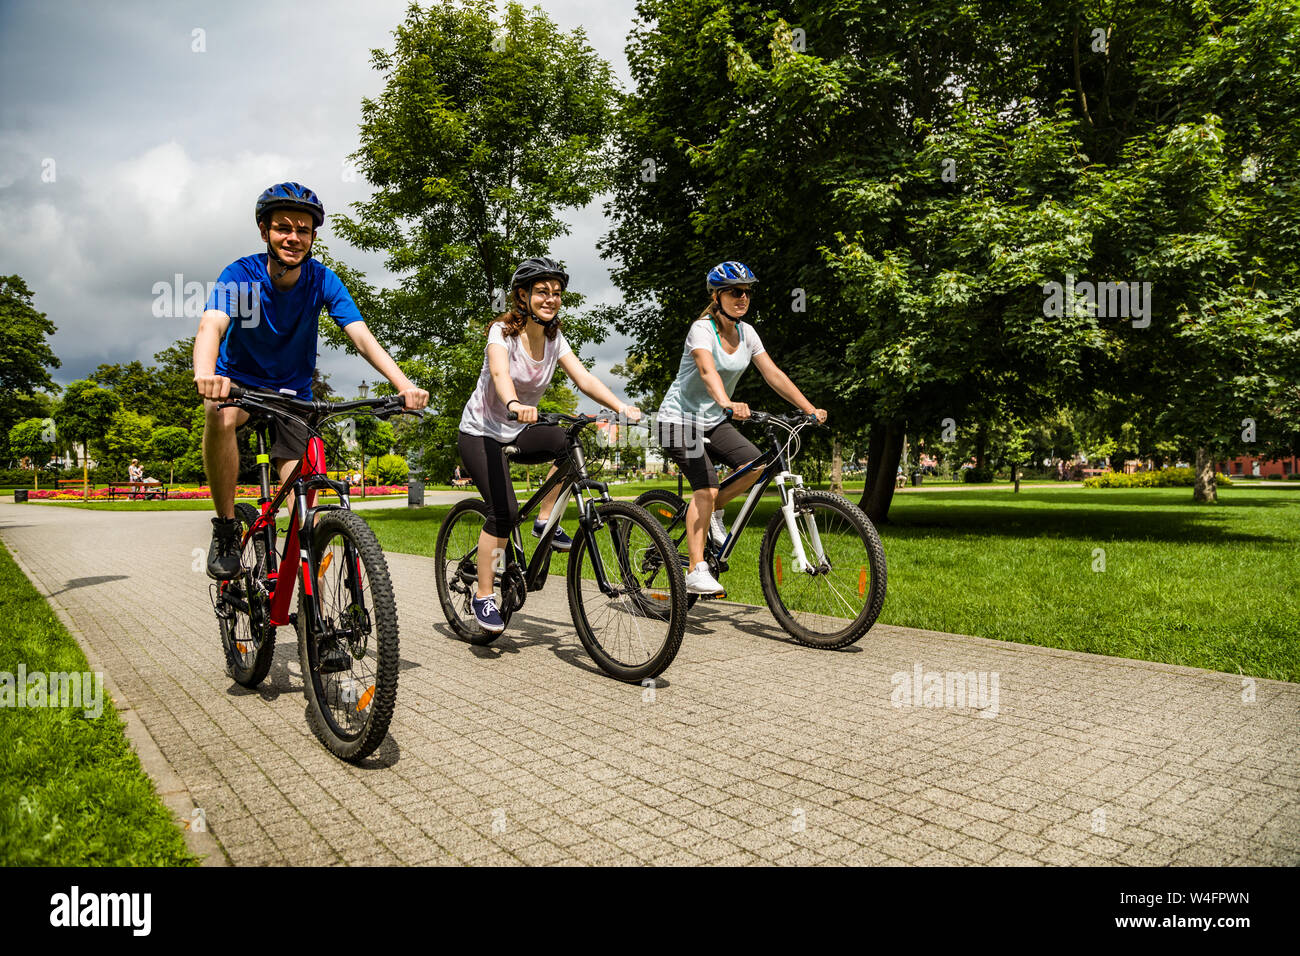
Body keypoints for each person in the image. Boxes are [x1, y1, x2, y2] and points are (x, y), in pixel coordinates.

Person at [194, 182, 429, 580]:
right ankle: (227, 528)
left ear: (313, 237)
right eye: (283, 227)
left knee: (307, 515)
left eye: (303, 230)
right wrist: (206, 373)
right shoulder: (241, 275)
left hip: (293, 395)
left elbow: (361, 336)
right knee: (218, 416)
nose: (293, 237)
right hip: (240, 386)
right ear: (264, 231)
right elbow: (211, 326)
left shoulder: (322, 280)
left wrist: (404, 384)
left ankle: (311, 606)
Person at [457, 257, 640, 634]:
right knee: (503, 513)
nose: (551, 299)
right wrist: (512, 404)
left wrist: (619, 406)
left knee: (566, 440)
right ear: (522, 296)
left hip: (518, 427)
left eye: (557, 293)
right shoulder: (501, 332)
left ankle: (544, 520)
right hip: (481, 430)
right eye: (542, 291)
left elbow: (584, 378)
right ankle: (484, 595)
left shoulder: (555, 338)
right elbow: (499, 373)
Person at [655, 261, 826, 598]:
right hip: (677, 420)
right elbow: (707, 371)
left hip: (713, 420)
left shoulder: (747, 333)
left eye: (747, 291)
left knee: (758, 465)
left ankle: (714, 511)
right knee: (705, 487)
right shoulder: (702, 329)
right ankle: (695, 569)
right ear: (717, 296)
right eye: (735, 291)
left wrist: (809, 409)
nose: (743, 297)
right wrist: (726, 402)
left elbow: (773, 374)